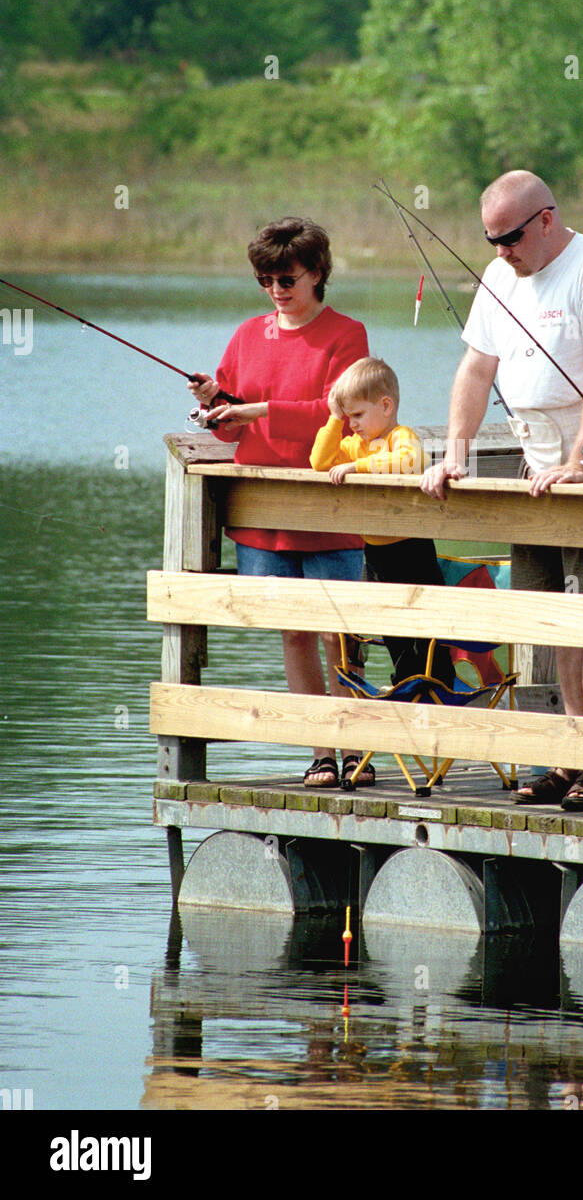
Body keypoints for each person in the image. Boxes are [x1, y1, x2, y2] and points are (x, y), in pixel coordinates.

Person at [420, 169, 583, 813]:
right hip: (531, 470)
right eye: (490, 239)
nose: (500, 252)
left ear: (545, 219)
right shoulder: (499, 278)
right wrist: (455, 454)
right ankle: (569, 759)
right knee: (548, 621)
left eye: (510, 237)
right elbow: (476, 367)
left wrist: (579, 462)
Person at [189, 217, 371, 790]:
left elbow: (338, 410)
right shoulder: (246, 335)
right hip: (263, 512)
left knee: (339, 633)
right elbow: (228, 431)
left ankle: (358, 752)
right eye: (265, 279)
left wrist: (256, 410)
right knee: (293, 633)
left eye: (287, 277)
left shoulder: (347, 334)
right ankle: (321, 752)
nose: (276, 289)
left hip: (329, 507)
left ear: (318, 272)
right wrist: (215, 406)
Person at [311, 356, 456, 690]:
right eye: (348, 418)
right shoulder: (355, 444)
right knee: (391, 626)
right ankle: (407, 682)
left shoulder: (400, 436)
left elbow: (411, 460)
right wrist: (334, 418)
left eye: (358, 415)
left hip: (411, 550)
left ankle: (436, 683)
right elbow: (319, 461)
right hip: (375, 555)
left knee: (424, 625)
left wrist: (355, 469)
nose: (352, 425)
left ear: (386, 405)